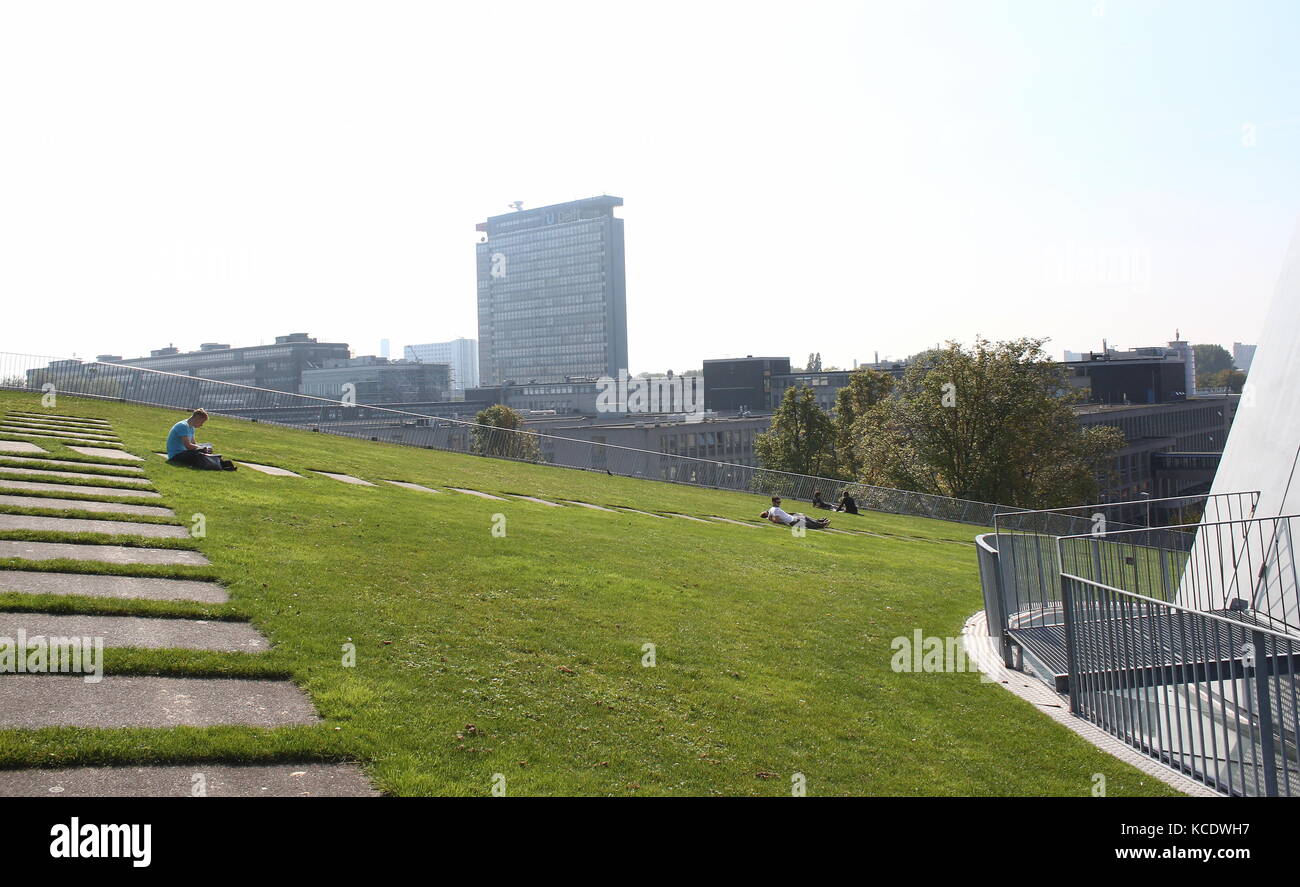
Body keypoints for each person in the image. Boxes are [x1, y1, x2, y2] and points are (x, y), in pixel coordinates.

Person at [166, 409, 236, 471]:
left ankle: (222, 464)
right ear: (198, 418)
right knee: (200, 453)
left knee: (203, 451)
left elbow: (193, 444)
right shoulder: (183, 426)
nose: (202, 425)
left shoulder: (191, 427)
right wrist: (202, 448)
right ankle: (222, 465)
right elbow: (188, 446)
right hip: (176, 455)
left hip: (184, 453)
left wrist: (205, 448)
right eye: (202, 422)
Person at [760, 496, 829, 530]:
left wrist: (770, 519)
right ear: (773, 502)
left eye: (780, 502)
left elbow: (769, 518)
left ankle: (820, 523)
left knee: (806, 518)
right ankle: (822, 525)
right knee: (809, 525)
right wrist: (786, 523)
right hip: (792, 521)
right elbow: (776, 520)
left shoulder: (772, 509)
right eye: (778, 502)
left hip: (794, 518)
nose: (779, 503)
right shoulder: (774, 510)